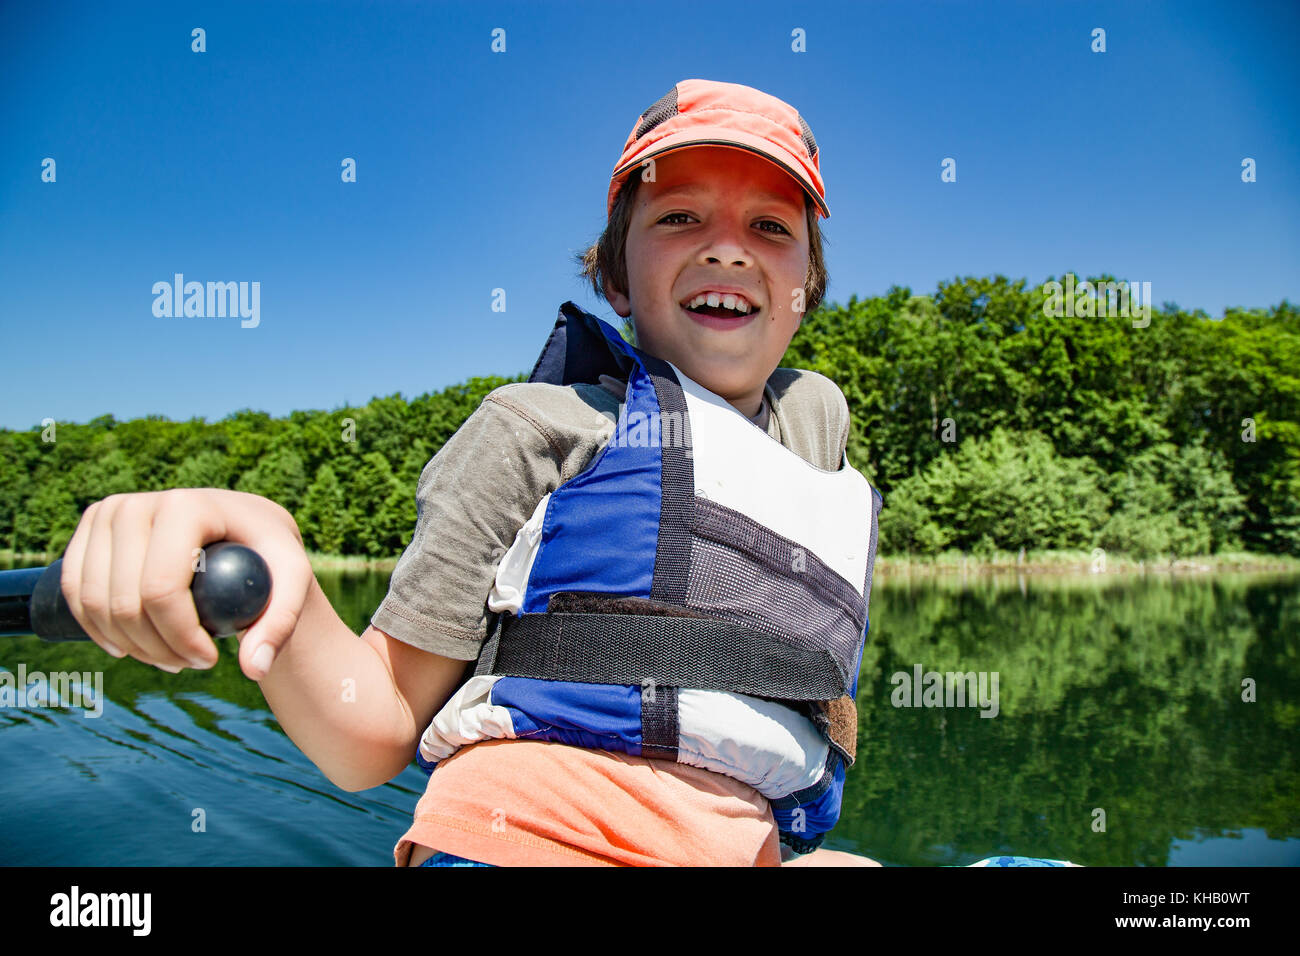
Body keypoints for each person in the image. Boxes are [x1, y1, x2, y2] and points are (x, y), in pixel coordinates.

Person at [58, 78, 1069, 867]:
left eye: (770, 226)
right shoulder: (537, 425)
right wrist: (263, 560)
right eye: (678, 217)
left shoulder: (819, 460)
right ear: (619, 273)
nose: (727, 248)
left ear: (804, 286)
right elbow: (370, 731)